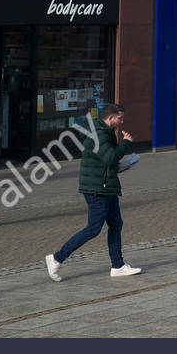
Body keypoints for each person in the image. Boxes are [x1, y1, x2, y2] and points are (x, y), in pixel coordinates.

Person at [44, 104, 141, 278]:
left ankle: (117, 266)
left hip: (105, 186)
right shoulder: (99, 134)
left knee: (116, 224)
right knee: (93, 229)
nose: (122, 122)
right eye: (120, 118)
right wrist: (126, 143)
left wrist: (121, 167)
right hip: (97, 189)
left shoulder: (105, 132)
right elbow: (110, 156)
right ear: (110, 118)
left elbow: (105, 161)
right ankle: (56, 258)